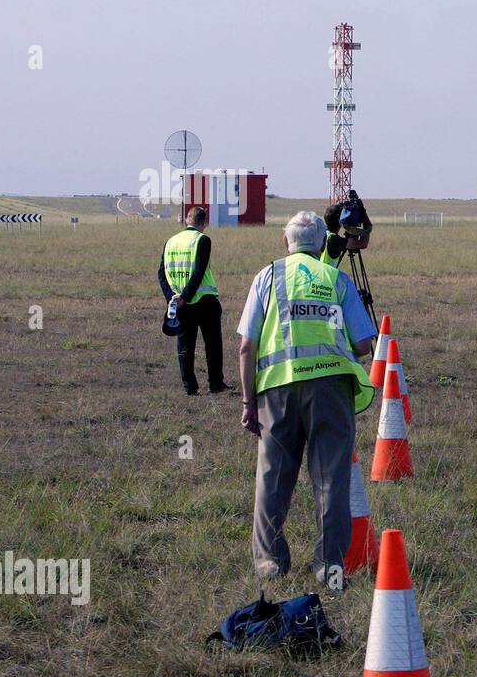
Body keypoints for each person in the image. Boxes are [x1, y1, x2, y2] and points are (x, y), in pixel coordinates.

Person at [236, 211, 377, 585]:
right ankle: (329, 566)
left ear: (286, 243)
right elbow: (364, 343)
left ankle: (270, 563)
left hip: (277, 389)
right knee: (332, 477)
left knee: (273, 477)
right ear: (320, 247)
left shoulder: (267, 277)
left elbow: (246, 346)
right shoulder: (337, 279)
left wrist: (249, 403)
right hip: (331, 390)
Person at [159, 206, 229, 395]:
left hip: (179, 302)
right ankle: (215, 383)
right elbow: (198, 272)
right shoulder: (202, 240)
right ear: (204, 223)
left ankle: (189, 386)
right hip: (204, 300)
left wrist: (172, 299)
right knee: (213, 343)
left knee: (185, 345)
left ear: (186, 220)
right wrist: (186, 297)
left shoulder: (170, 242)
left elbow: (161, 274)